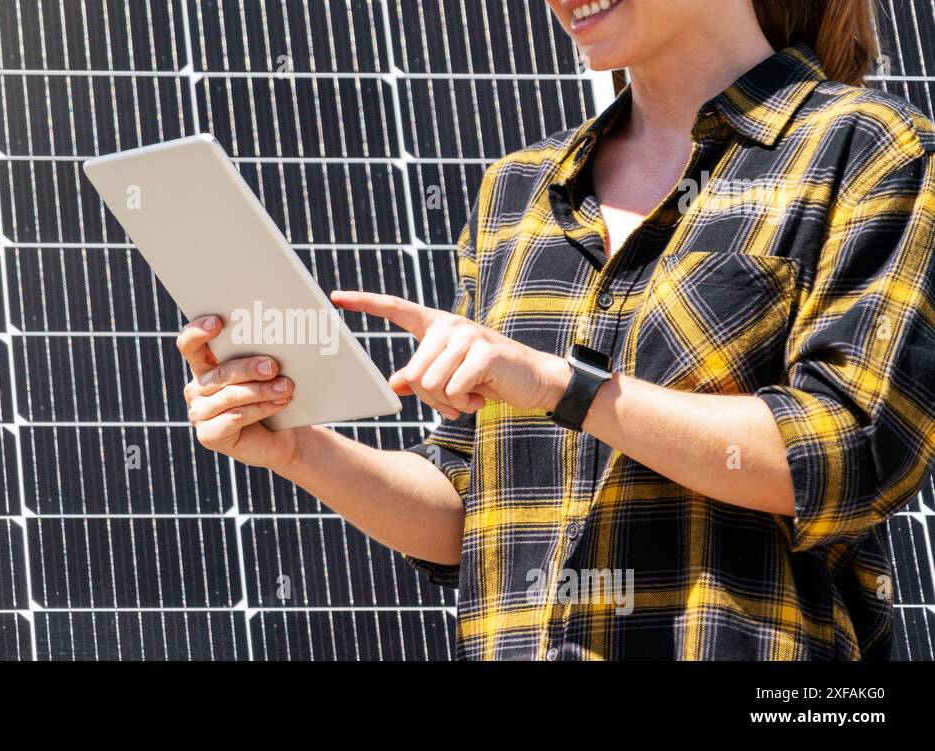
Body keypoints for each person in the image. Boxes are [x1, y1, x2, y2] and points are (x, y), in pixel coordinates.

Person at [177, 0, 935, 660]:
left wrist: (559, 384)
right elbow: (470, 513)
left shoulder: (866, 149)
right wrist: (298, 445)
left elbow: (851, 450)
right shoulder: (519, 193)